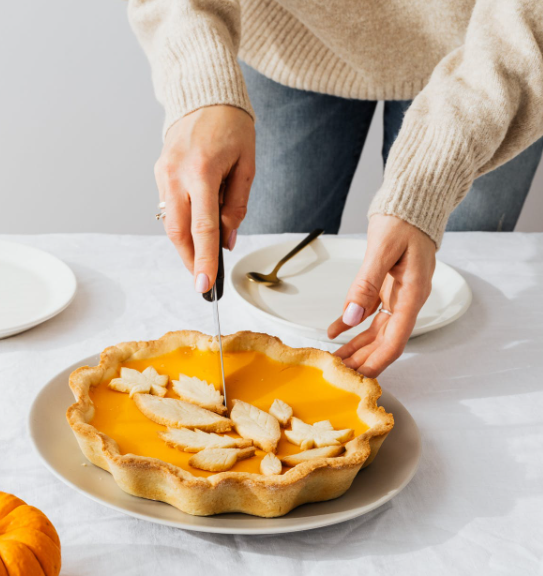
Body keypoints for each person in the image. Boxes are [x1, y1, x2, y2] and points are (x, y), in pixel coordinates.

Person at [129, 0, 543, 376]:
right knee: (258, 280)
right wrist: (200, 88)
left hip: (497, 49)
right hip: (286, 31)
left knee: (449, 319)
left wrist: (429, 183)